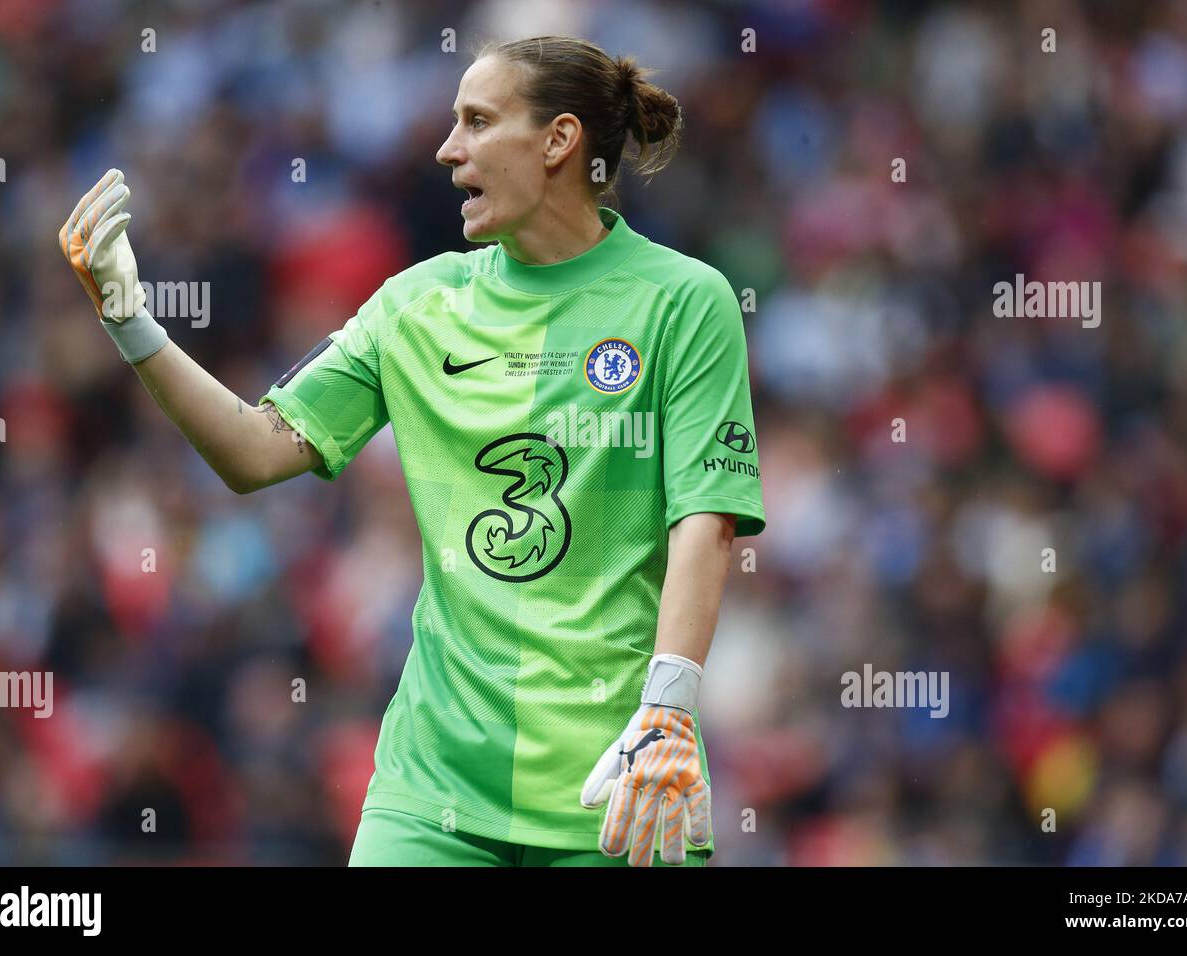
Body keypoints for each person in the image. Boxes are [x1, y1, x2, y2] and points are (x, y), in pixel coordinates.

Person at [58, 35, 765, 867]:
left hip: (619, 784)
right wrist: (131, 320)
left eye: (476, 121)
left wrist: (671, 706)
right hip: (429, 796)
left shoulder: (682, 301)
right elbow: (254, 450)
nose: (446, 147)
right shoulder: (417, 306)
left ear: (557, 141)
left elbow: (704, 518)